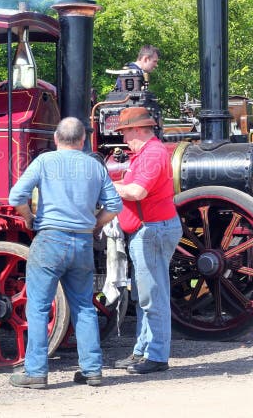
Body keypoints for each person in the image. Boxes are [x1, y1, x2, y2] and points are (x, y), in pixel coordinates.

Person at [7, 117, 122, 389]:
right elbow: (114, 206)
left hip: (49, 240)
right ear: (83, 141)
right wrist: (94, 225)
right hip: (81, 243)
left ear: (56, 139)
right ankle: (92, 370)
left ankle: (36, 372)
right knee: (83, 306)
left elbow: (16, 197)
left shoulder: (45, 162)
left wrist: (29, 218)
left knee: (37, 307)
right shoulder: (95, 166)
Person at [111, 107, 182, 375]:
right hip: (149, 228)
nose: (124, 139)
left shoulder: (152, 154)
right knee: (144, 294)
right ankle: (142, 352)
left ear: (138, 129)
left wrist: (105, 184)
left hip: (151, 230)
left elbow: (137, 191)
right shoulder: (147, 153)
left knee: (154, 295)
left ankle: (157, 356)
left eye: (125, 132)